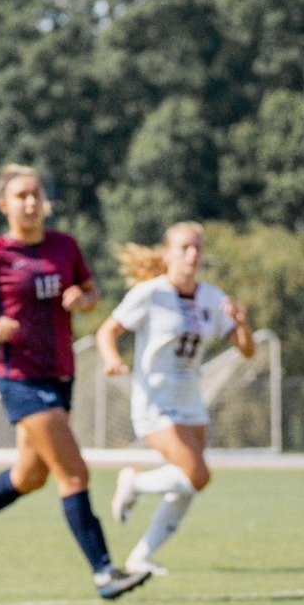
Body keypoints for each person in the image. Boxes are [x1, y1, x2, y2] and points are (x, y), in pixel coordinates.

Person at [0, 164, 150, 600]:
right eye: (21, 196)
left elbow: (90, 293)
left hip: (61, 374)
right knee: (73, 473)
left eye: (37, 195)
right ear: (4, 205)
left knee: (30, 475)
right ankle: (105, 573)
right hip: (20, 378)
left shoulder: (64, 246)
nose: (31, 203)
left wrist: (84, 299)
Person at [96, 223, 254, 575]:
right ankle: (133, 482)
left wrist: (242, 324)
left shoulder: (213, 297)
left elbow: (246, 350)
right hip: (155, 401)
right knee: (197, 476)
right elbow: (107, 330)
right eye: (184, 248)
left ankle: (141, 556)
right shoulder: (150, 293)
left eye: (197, 248)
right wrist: (112, 358)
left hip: (191, 401)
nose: (192, 254)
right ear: (166, 254)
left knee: (186, 485)